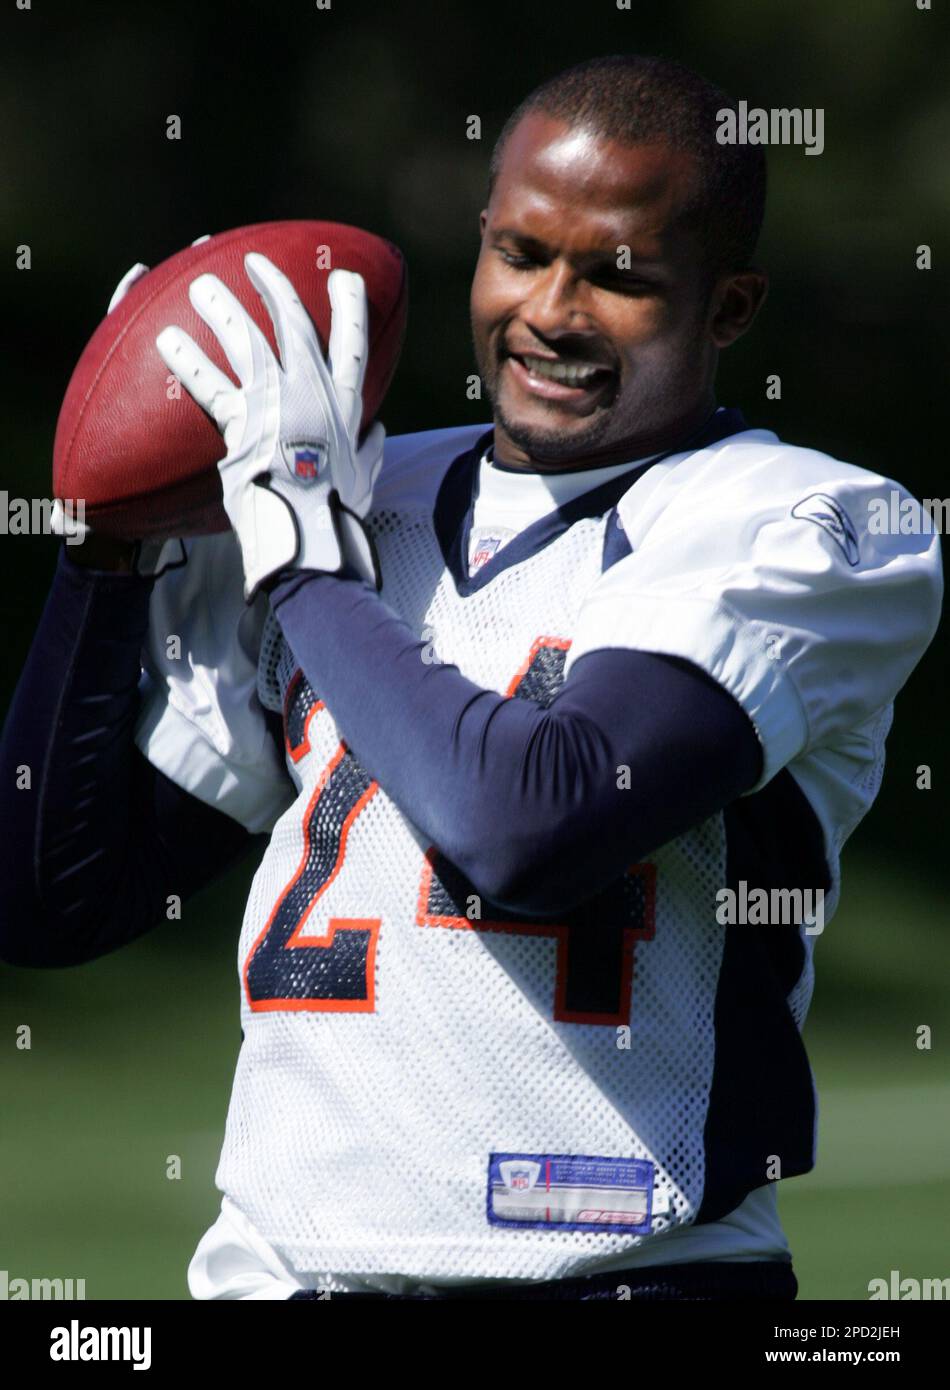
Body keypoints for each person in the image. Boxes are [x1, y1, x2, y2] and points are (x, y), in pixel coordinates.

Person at [0, 54, 941, 1301]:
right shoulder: (350, 492)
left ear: (726, 309)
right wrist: (107, 544)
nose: (550, 310)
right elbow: (53, 899)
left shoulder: (805, 519)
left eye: (617, 275)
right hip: (285, 1273)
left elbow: (535, 825)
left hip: (625, 1269)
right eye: (520, 252)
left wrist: (302, 567)